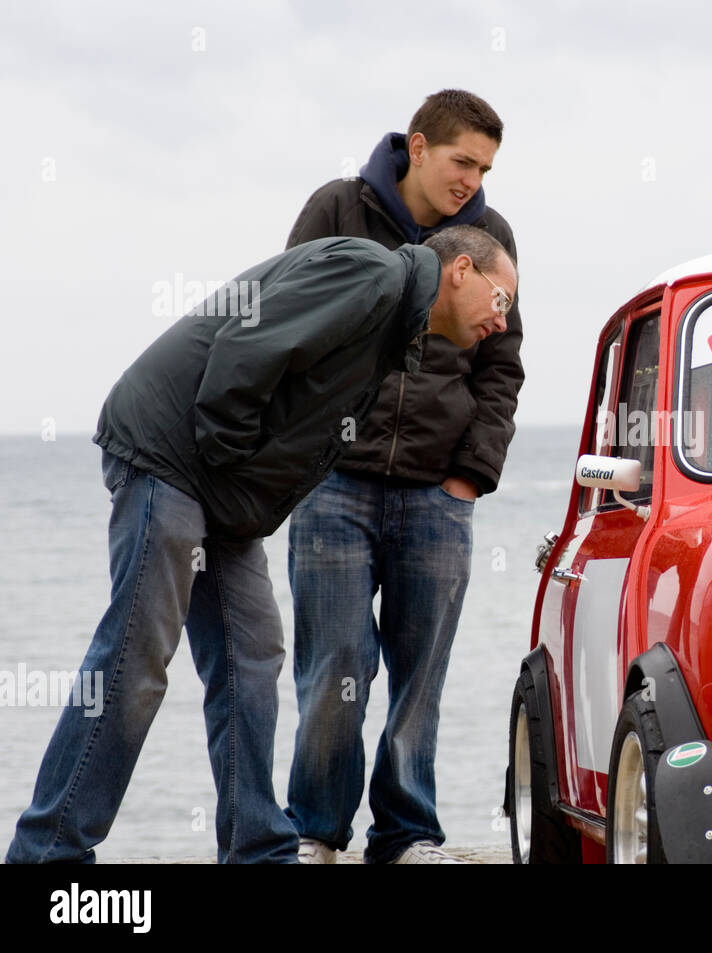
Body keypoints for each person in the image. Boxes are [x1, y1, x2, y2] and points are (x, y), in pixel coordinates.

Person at [4, 227, 517, 864]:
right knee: (137, 656)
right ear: (461, 270)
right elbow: (246, 350)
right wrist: (228, 461)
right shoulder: (372, 274)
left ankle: (258, 851)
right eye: (502, 301)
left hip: (218, 491)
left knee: (253, 655)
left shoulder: (394, 325)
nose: (503, 322)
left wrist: (235, 488)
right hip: (172, 460)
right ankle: (46, 854)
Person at [283, 91, 524, 864]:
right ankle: (316, 833)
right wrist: (299, 452)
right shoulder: (336, 208)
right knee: (334, 669)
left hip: (436, 492)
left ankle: (407, 834)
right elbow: (284, 326)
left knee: (420, 677)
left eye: (484, 167)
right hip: (332, 484)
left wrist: (470, 476)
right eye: (462, 161)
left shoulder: (492, 237)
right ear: (417, 146)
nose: (472, 179)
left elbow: (502, 368)